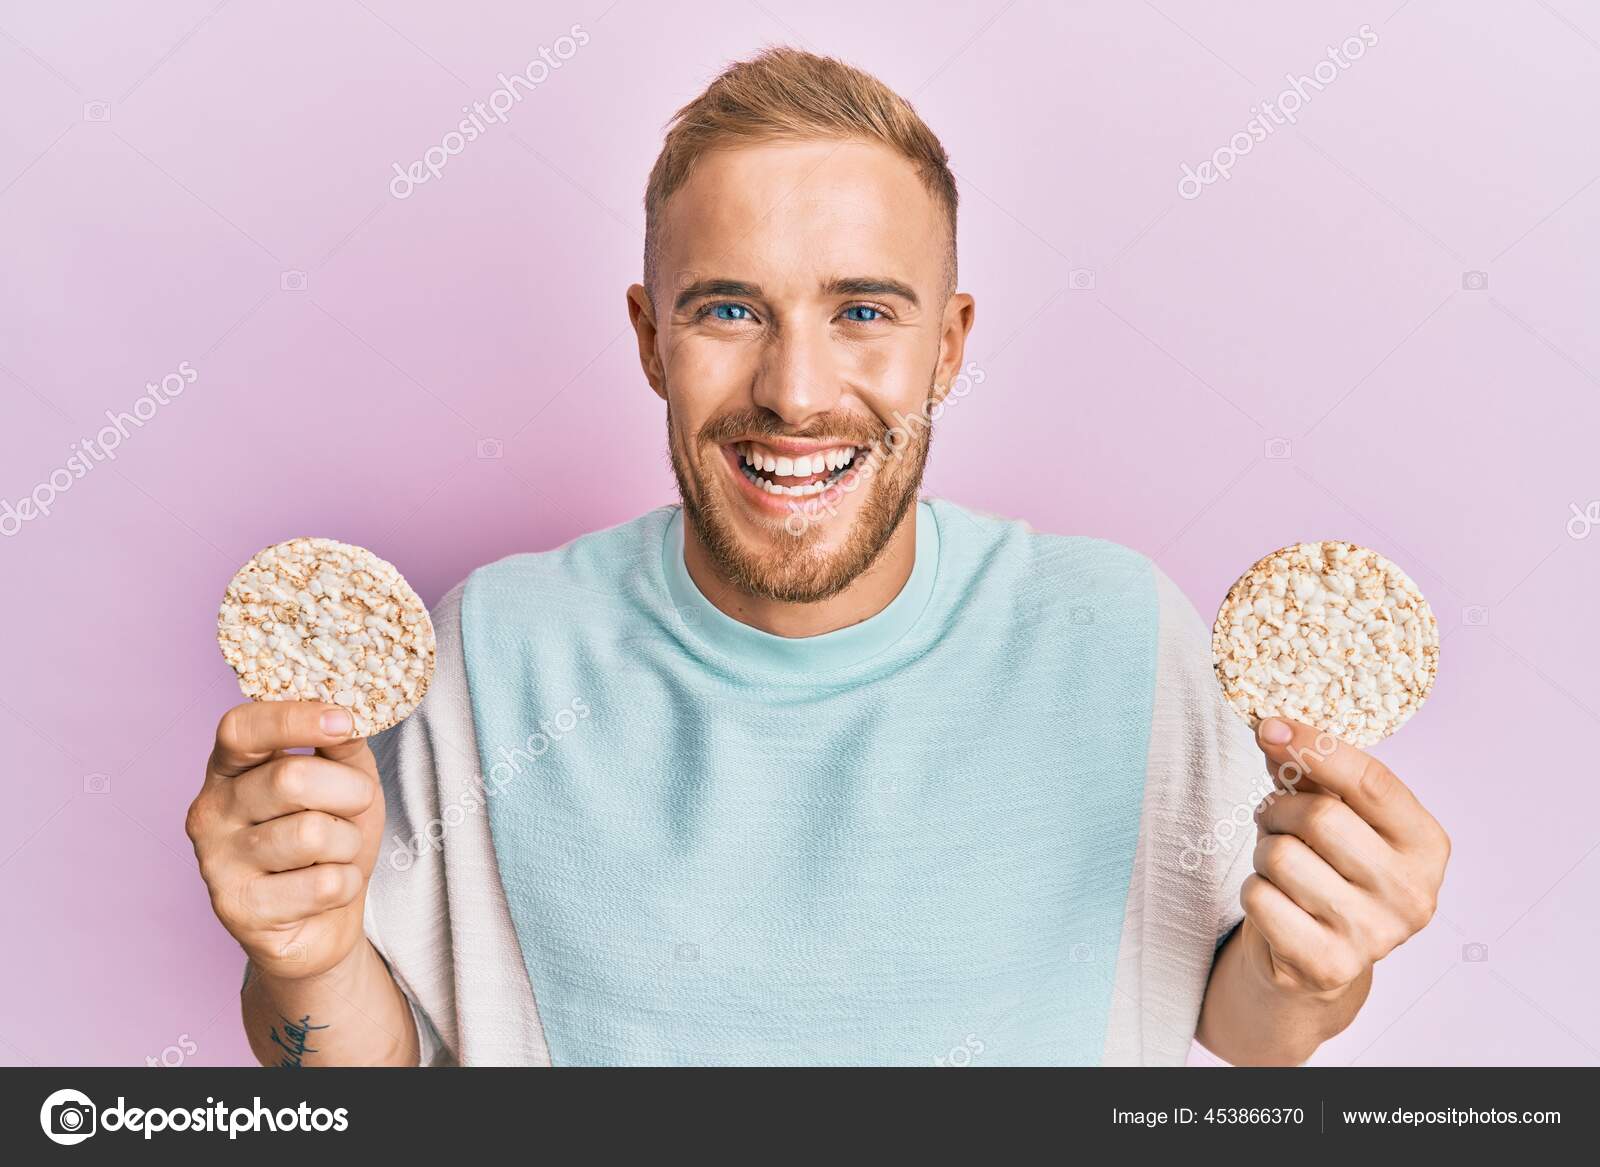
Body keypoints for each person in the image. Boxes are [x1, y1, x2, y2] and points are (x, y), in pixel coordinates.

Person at [185, 47, 1449, 1067]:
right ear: (648, 340)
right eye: (728, 310)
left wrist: (1313, 968)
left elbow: (1243, 1029)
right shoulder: (495, 652)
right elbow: (357, 1078)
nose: (795, 393)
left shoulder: (1117, 633)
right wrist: (299, 957)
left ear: (948, 345)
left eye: (862, 313)